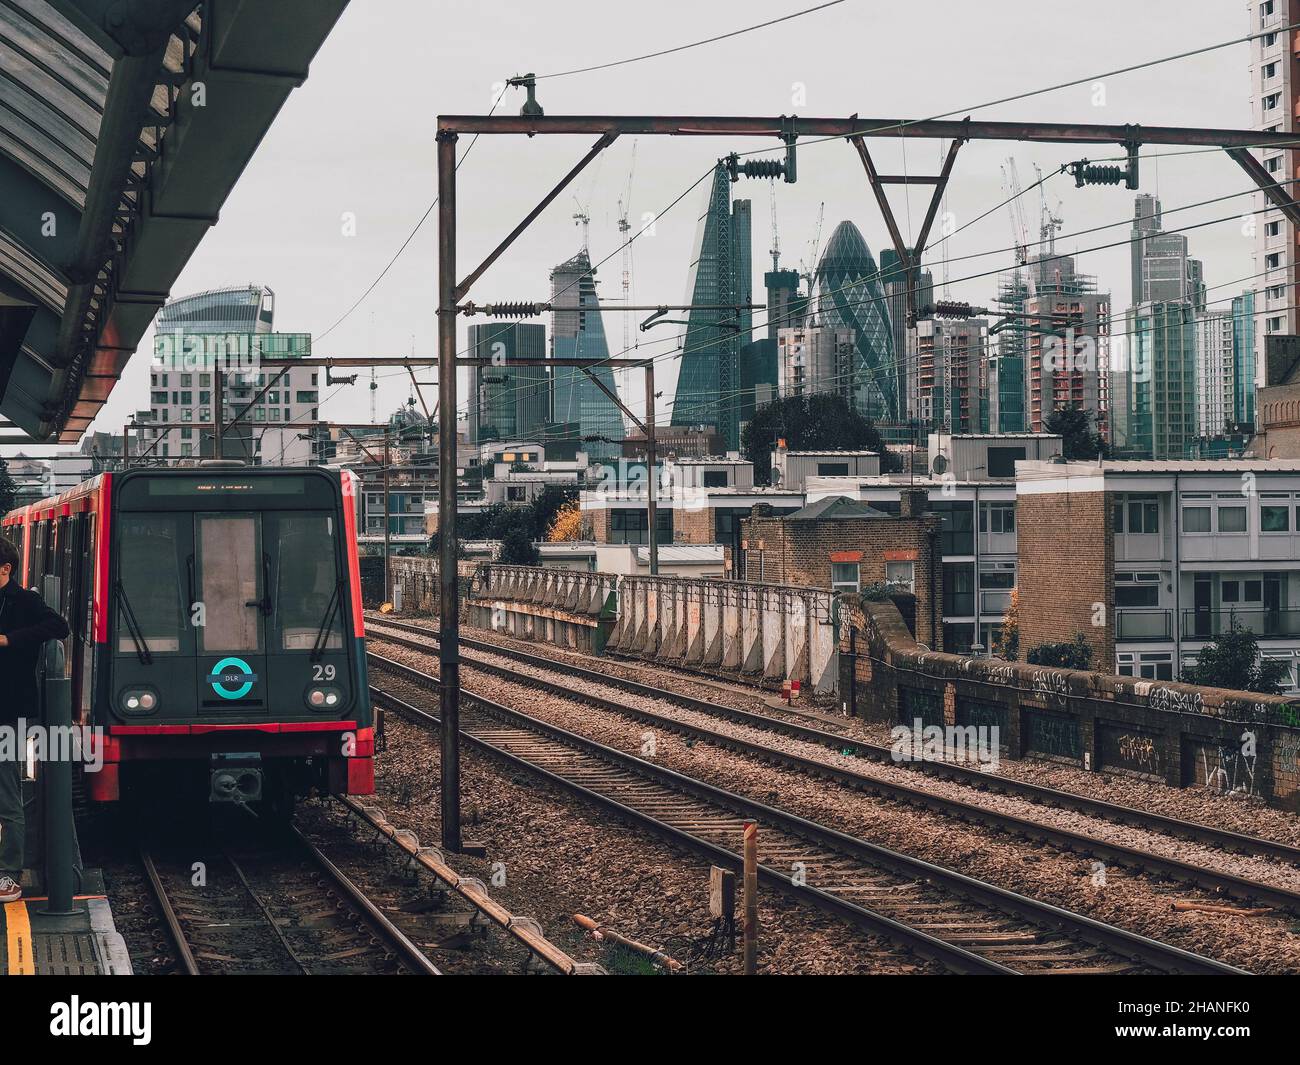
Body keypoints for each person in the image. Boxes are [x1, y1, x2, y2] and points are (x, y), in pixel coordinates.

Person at [0, 536, 70, 903]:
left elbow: (60, 627)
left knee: (8, 794)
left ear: (5, 569)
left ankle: (9, 874)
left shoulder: (24, 601)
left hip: (7, 712)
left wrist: (9, 640)